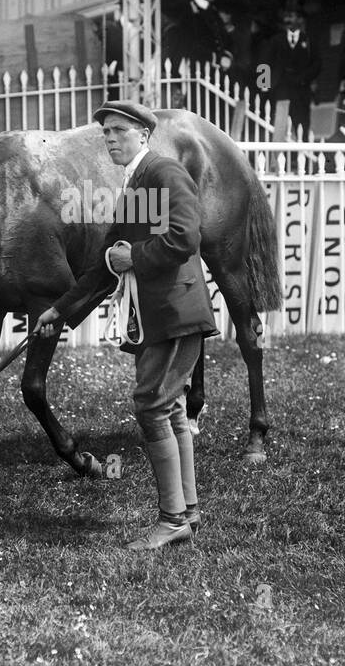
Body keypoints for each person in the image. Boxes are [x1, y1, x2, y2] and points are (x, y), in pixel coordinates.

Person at [36, 101, 217, 551]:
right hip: (159, 313)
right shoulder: (138, 180)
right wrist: (60, 311)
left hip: (174, 312)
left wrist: (132, 257)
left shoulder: (164, 172)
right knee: (169, 408)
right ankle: (186, 511)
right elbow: (105, 260)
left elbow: (185, 237)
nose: (110, 139)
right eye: (106, 133)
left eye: (118, 131)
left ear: (143, 134)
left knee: (152, 404)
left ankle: (173, 518)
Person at [256, 0, 321, 140]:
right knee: (279, 124)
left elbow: (317, 65)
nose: (287, 20)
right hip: (280, 89)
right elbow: (263, 63)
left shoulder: (309, 41)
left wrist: (304, 78)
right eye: (286, 16)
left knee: (301, 124)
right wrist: (264, 86)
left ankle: (300, 158)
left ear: (300, 19)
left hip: (301, 91)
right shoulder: (275, 40)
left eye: (291, 16)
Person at [162, 0, 233, 76]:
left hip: (216, 72)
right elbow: (190, 42)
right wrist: (216, 58)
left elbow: (225, 39)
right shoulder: (187, 10)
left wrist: (227, 55)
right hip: (196, 70)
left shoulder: (213, 12)